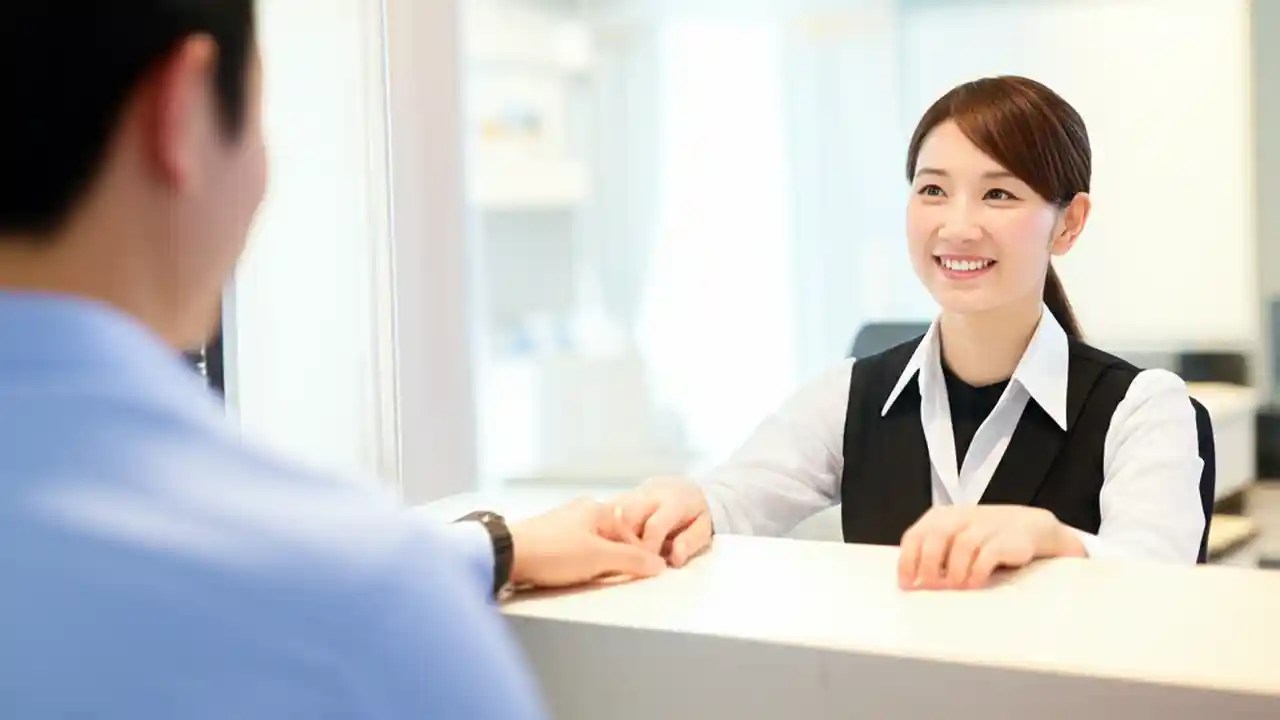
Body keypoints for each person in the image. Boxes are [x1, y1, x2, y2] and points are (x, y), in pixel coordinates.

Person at [0, 2, 663, 717]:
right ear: (183, 112)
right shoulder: (363, 625)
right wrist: (393, 579)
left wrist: (492, 547)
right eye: (259, 114)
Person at [613, 75, 1205, 591]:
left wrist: (1052, 539)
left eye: (998, 194)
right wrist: (687, 503)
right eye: (932, 190)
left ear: (1068, 224)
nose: (958, 225)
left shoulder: (1144, 409)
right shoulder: (854, 393)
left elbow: (1156, 580)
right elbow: (734, 496)